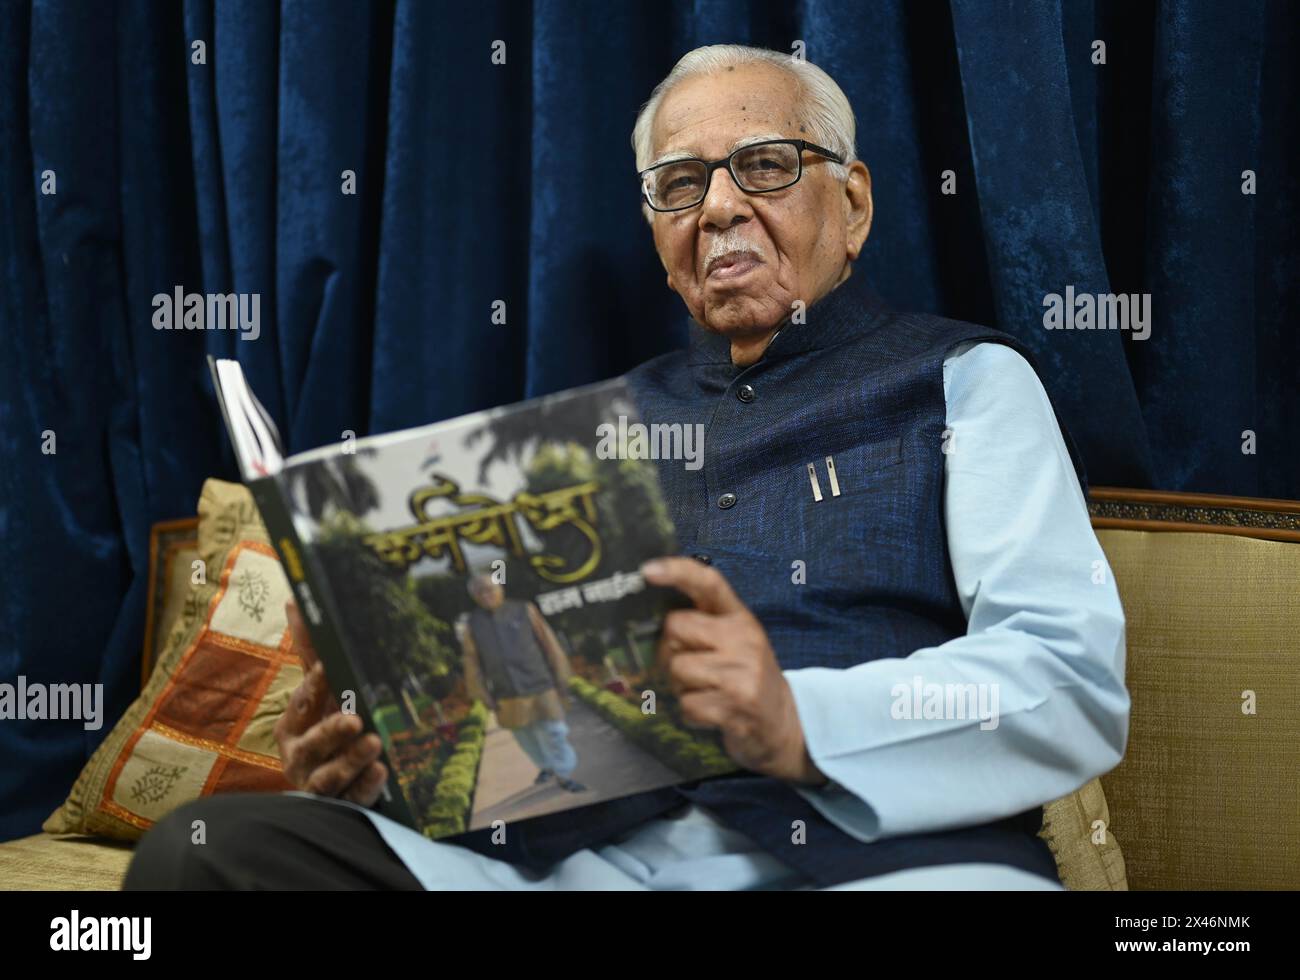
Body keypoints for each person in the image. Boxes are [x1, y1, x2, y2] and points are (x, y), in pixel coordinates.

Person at [125, 43, 1128, 891]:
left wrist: (794, 717)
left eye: (766, 164)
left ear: (853, 203)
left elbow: (1068, 680)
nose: (720, 207)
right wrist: (384, 761)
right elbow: (516, 729)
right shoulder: (579, 440)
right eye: (679, 184)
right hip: (582, 867)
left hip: (879, 860)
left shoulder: (965, 380)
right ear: (658, 233)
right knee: (208, 856)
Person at [458, 573, 585, 793]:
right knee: (524, 735)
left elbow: (549, 642)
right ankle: (546, 766)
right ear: (474, 597)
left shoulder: (524, 609)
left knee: (553, 731)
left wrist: (562, 676)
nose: (486, 594)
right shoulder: (472, 624)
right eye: (480, 591)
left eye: (490, 589)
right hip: (505, 690)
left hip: (539, 683)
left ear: (501, 589)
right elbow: (471, 661)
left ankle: (566, 774)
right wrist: (482, 693)